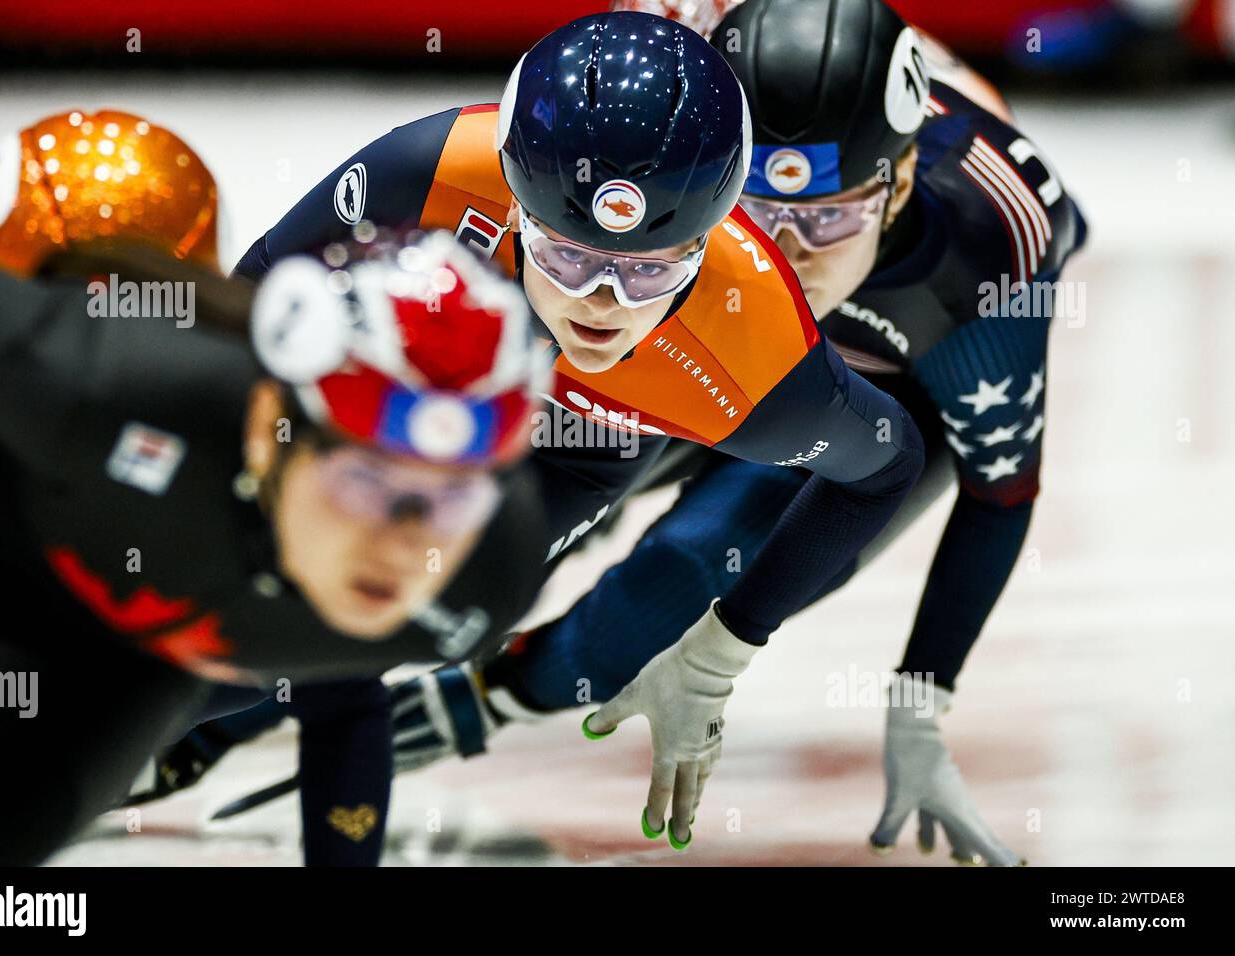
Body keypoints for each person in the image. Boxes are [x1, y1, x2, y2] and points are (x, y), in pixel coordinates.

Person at [390, 0, 1087, 864]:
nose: (791, 254)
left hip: (885, 372)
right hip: (705, 315)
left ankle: (483, 699)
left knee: (673, 589)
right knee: (518, 500)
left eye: (827, 218)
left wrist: (920, 704)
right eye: (759, 207)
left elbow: (999, 495)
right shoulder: (676, 71)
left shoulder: (991, 251)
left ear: (898, 184)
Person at [225, 10, 924, 851]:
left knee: (363, 624)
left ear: (710, 243)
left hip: (585, 452)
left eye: (649, 270)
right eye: (567, 255)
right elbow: (245, 315)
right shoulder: (435, 169)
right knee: (260, 591)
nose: (601, 301)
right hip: (437, 404)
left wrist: (724, 645)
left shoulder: (759, 355)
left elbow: (887, 467)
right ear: (513, 205)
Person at [0, 72, 550, 864]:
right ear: (269, 430)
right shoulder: (110, 387)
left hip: (110, 667)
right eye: (367, 481)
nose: (406, 544)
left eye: (454, 498)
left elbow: (343, 704)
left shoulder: (482, 580)